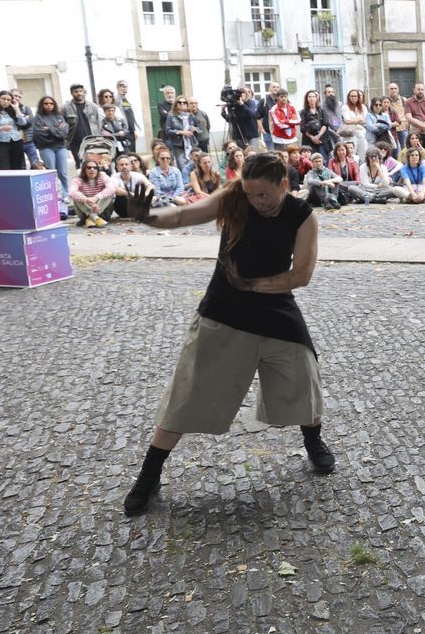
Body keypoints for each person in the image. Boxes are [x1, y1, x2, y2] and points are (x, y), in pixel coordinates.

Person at [121, 153, 331, 516]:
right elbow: (183, 216)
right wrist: (146, 217)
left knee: (303, 375)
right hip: (224, 308)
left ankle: (313, 442)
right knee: (188, 393)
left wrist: (253, 285)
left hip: (275, 307)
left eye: (263, 195)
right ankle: (149, 475)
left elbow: (301, 275)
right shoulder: (235, 196)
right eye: (250, 195)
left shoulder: (302, 216)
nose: (256, 202)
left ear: (284, 184)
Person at [32, 96, 72, 203]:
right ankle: (55, 195)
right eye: (46, 103)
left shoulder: (59, 116)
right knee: (51, 172)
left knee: (63, 172)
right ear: (42, 105)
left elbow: (64, 133)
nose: (49, 105)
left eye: (51, 103)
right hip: (46, 147)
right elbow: (39, 135)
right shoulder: (38, 118)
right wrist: (57, 130)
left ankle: (65, 194)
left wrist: (49, 129)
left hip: (60, 147)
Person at [0, 91, 29, 170]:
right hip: (0, 144)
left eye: (8, 100)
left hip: (16, 141)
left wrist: (17, 109)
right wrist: (0, 128)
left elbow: (23, 123)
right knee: (4, 169)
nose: (6, 102)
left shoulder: (12, 111)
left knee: (17, 169)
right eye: (3, 99)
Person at [64, 84, 103, 164]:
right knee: (81, 165)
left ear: (84, 92)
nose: (79, 93)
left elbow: (99, 123)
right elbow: (63, 125)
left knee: (94, 164)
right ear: (72, 93)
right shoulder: (66, 107)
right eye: (76, 92)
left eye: (80, 91)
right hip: (76, 143)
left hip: (92, 141)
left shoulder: (93, 106)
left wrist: (99, 138)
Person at [69, 158, 115, 226]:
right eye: (89, 167)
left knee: (109, 194)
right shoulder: (78, 179)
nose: (92, 169)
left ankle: (92, 216)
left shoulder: (103, 176)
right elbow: (71, 192)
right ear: (84, 169)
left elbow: (112, 189)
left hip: (101, 212)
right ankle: (93, 216)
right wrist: (87, 200)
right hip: (85, 213)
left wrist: (96, 197)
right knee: (77, 196)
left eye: (95, 168)